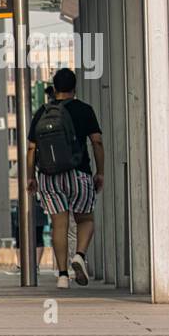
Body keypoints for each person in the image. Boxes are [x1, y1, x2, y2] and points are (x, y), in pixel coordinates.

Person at [26, 67, 104, 289]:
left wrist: (31, 177)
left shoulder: (42, 112)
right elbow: (97, 141)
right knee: (85, 219)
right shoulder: (84, 110)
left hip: (50, 176)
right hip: (79, 173)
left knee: (58, 225)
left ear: (55, 87)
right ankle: (79, 255)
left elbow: (31, 148)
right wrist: (100, 172)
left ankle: (62, 276)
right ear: (74, 87)